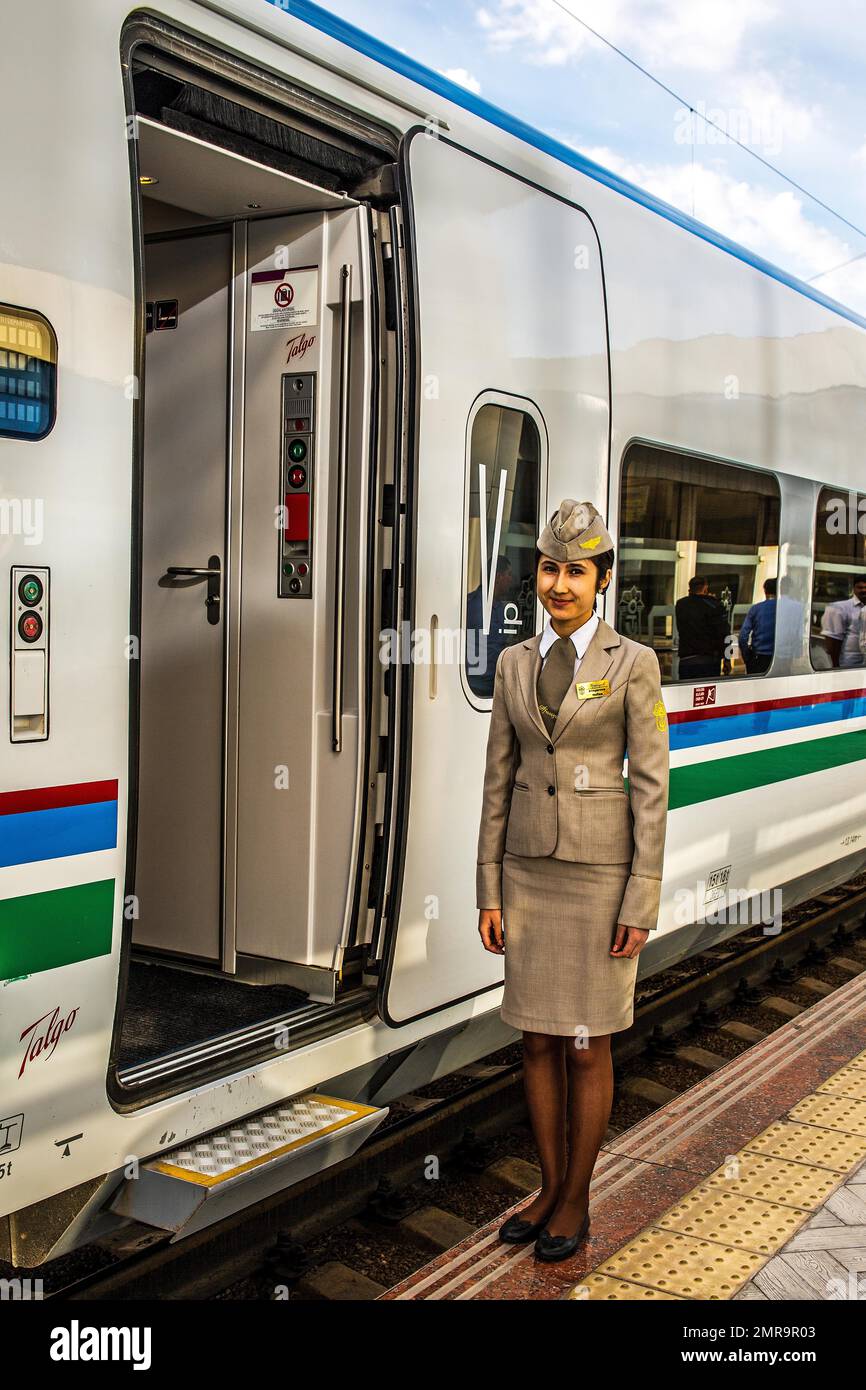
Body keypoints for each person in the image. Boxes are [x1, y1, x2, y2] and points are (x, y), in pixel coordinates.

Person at [475, 500, 669, 1262]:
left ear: (602, 580)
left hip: (598, 878)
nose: (561, 585)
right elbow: (498, 782)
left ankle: (579, 1198)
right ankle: (550, 1188)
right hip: (526, 872)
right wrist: (487, 887)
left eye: (577, 572)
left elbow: (650, 788)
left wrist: (641, 898)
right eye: (551, 569)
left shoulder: (633, 665)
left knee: (588, 1047)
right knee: (533, 1041)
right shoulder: (515, 663)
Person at [466, 555, 515, 698]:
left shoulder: (498, 605)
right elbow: (491, 649)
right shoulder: (476, 606)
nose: (511, 580)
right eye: (509, 575)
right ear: (498, 576)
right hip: (480, 686)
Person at [674, 576, 730, 679]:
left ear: (690, 589)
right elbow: (725, 633)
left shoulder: (680, 604)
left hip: (686, 659)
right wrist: (728, 659)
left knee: (687, 692)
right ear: (705, 588)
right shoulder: (715, 605)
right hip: (709, 660)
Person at [821, 576, 866, 668]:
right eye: (860, 587)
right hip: (848, 665)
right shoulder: (841, 608)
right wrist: (836, 667)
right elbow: (832, 641)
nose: (864, 590)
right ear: (853, 589)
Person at [738, 578, 777, 674]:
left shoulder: (755, 609)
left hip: (758, 658)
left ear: (765, 591)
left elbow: (743, 636)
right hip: (779, 658)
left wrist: (747, 657)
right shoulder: (783, 609)